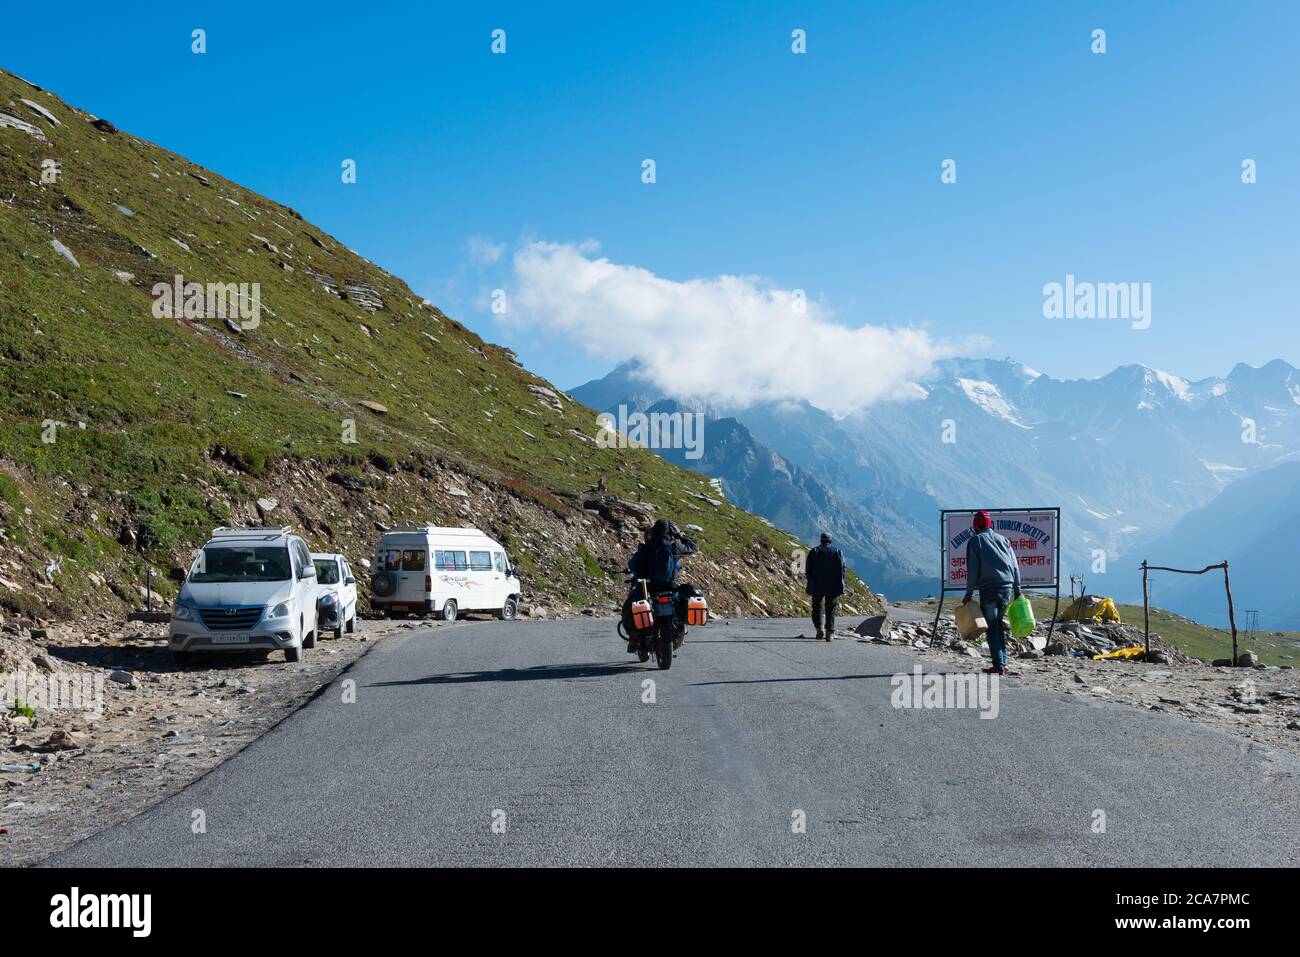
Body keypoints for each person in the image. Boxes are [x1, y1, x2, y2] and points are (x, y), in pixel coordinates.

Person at [961, 510, 1021, 676]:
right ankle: (1003, 662)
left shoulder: (975, 542)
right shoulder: (1004, 540)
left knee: (992, 628)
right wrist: (1018, 590)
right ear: (990, 524)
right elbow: (1015, 566)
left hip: (988, 589)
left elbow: (972, 570)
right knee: (997, 625)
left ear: (975, 526)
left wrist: (969, 593)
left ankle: (999, 666)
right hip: (1007, 588)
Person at [804, 532, 845, 641]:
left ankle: (819, 628)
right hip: (832, 586)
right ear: (830, 541)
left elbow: (808, 569)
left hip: (817, 585)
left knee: (817, 607)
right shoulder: (837, 552)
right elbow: (842, 569)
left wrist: (811, 582)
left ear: (821, 540)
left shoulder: (814, 551)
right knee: (830, 609)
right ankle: (829, 633)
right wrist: (839, 583)